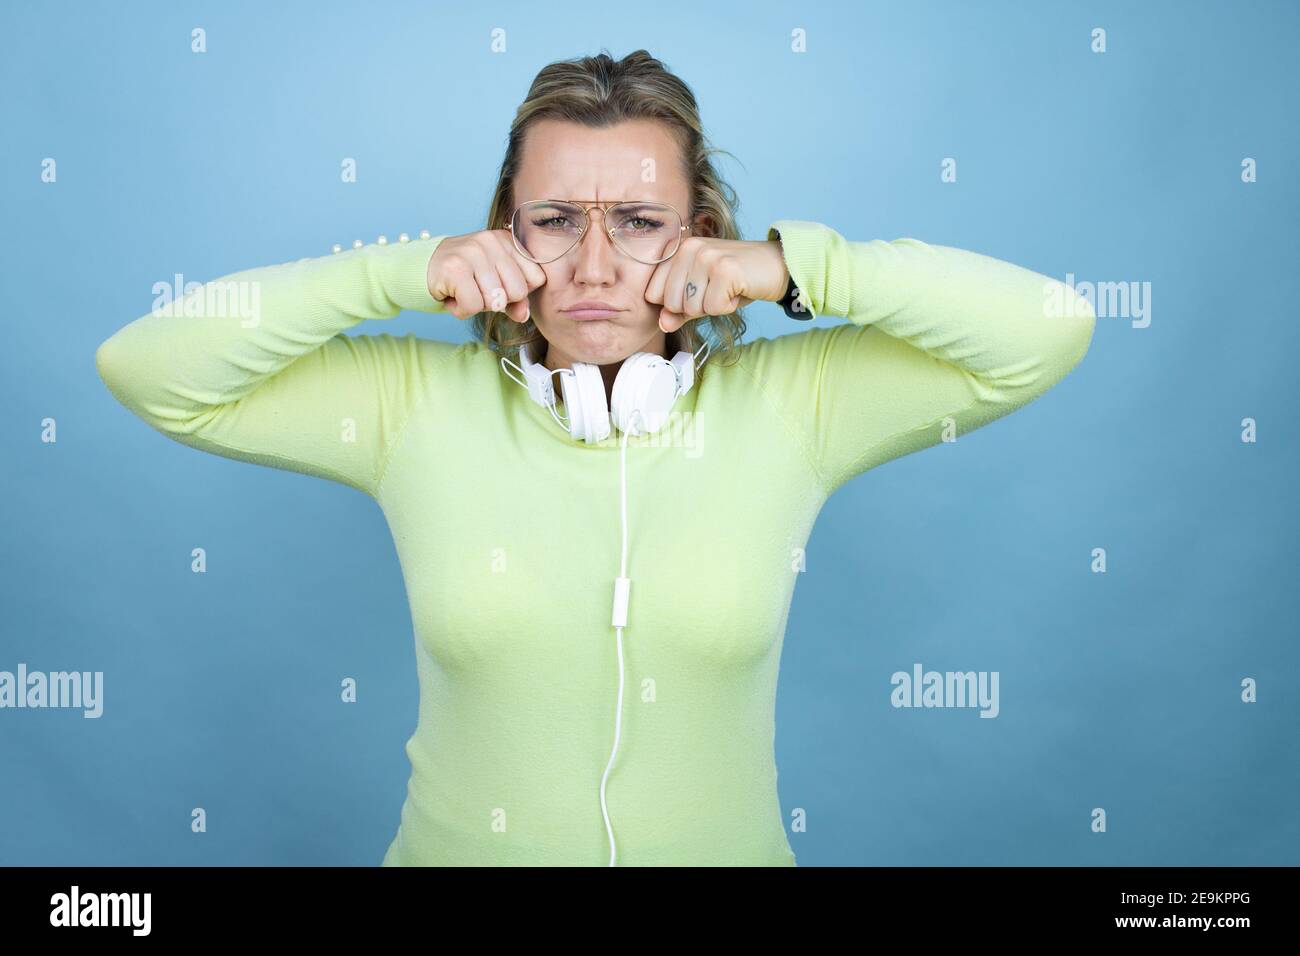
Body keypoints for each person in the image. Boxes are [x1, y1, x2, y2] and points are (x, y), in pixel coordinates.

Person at [94, 49, 1096, 867]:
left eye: (640, 222)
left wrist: (793, 267)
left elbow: (1047, 328)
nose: (596, 266)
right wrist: (395, 269)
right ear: (504, 235)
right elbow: (147, 370)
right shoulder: (405, 404)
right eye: (557, 221)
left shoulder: (798, 406)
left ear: (701, 238)